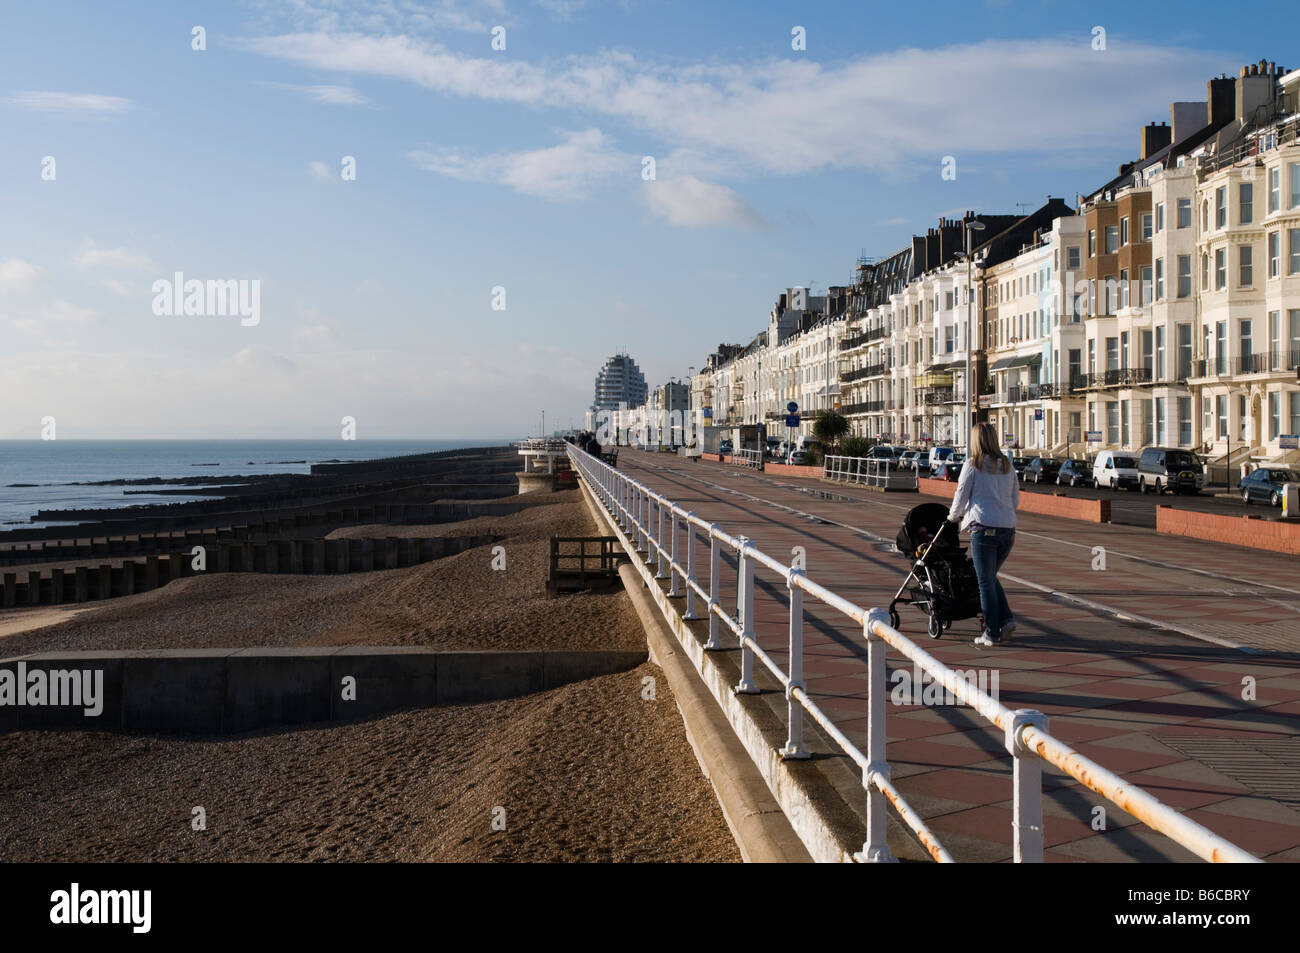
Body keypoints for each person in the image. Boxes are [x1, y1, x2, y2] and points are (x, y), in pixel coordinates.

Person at [946, 422, 1019, 648]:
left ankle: (991, 632)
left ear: (976, 440)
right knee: (990, 576)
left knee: (984, 581)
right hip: (1007, 530)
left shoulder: (972, 465)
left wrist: (952, 518)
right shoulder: (1007, 465)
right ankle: (1006, 620)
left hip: (984, 529)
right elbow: (1015, 500)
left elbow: (961, 497)